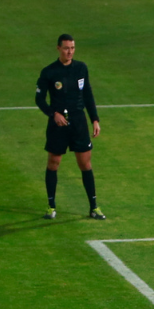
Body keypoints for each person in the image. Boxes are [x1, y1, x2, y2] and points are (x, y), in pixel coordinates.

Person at [36, 34, 105, 220]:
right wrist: (53, 114)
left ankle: (94, 207)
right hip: (58, 124)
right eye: (66, 48)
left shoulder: (81, 68)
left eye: (72, 48)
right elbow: (39, 99)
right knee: (53, 163)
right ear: (58, 48)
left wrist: (95, 119)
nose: (70, 52)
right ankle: (51, 206)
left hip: (78, 122)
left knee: (85, 164)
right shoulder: (49, 72)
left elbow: (88, 94)